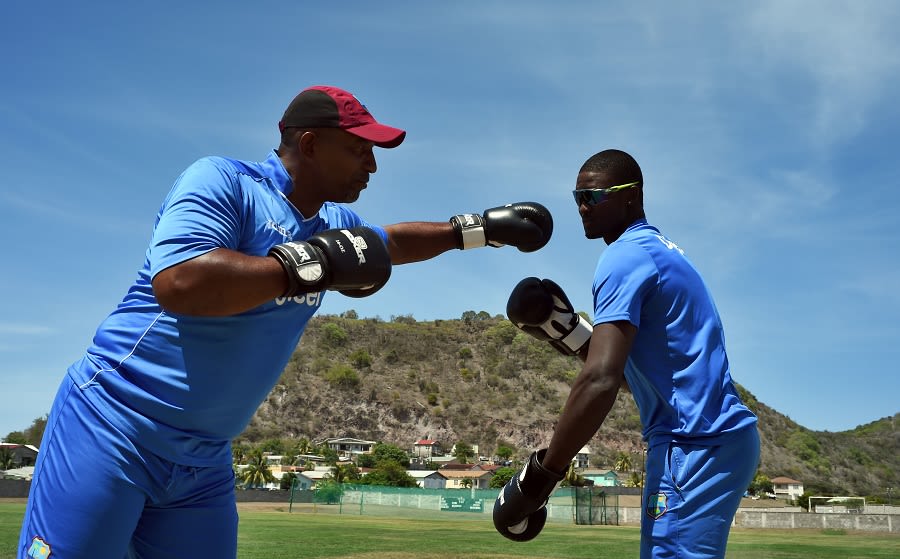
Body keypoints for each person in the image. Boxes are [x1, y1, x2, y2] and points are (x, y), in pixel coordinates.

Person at [18, 85, 553, 559]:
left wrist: (475, 229)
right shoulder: (224, 181)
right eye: (359, 149)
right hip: (114, 426)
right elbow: (180, 282)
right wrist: (306, 265)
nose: (372, 166)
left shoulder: (333, 222)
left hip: (203, 461)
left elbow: (389, 243)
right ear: (310, 143)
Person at [493, 148, 759, 558]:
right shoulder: (661, 252)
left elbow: (600, 380)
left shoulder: (623, 256)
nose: (583, 206)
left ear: (631, 196)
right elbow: (646, 376)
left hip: (691, 445)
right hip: (720, 440)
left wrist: (540, 479)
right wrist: (565, 331)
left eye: (595, 196)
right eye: (577, 196)